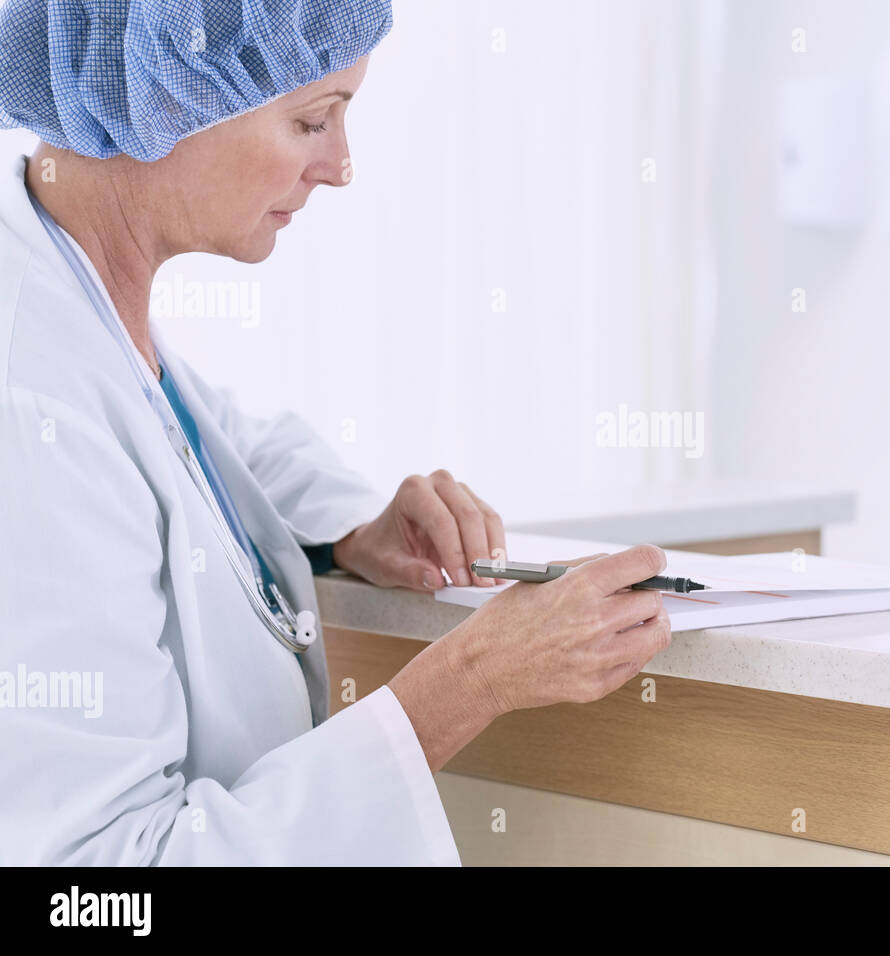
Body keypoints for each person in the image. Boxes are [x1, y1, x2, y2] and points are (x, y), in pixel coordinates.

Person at [0, 0, 671, 864]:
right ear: (168, 97)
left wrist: (349, 526)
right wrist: (473, 681)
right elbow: (94, 879)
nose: (341, 167)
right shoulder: (32, 408)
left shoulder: (75, 289)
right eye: (312, 120)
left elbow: (200, 441)